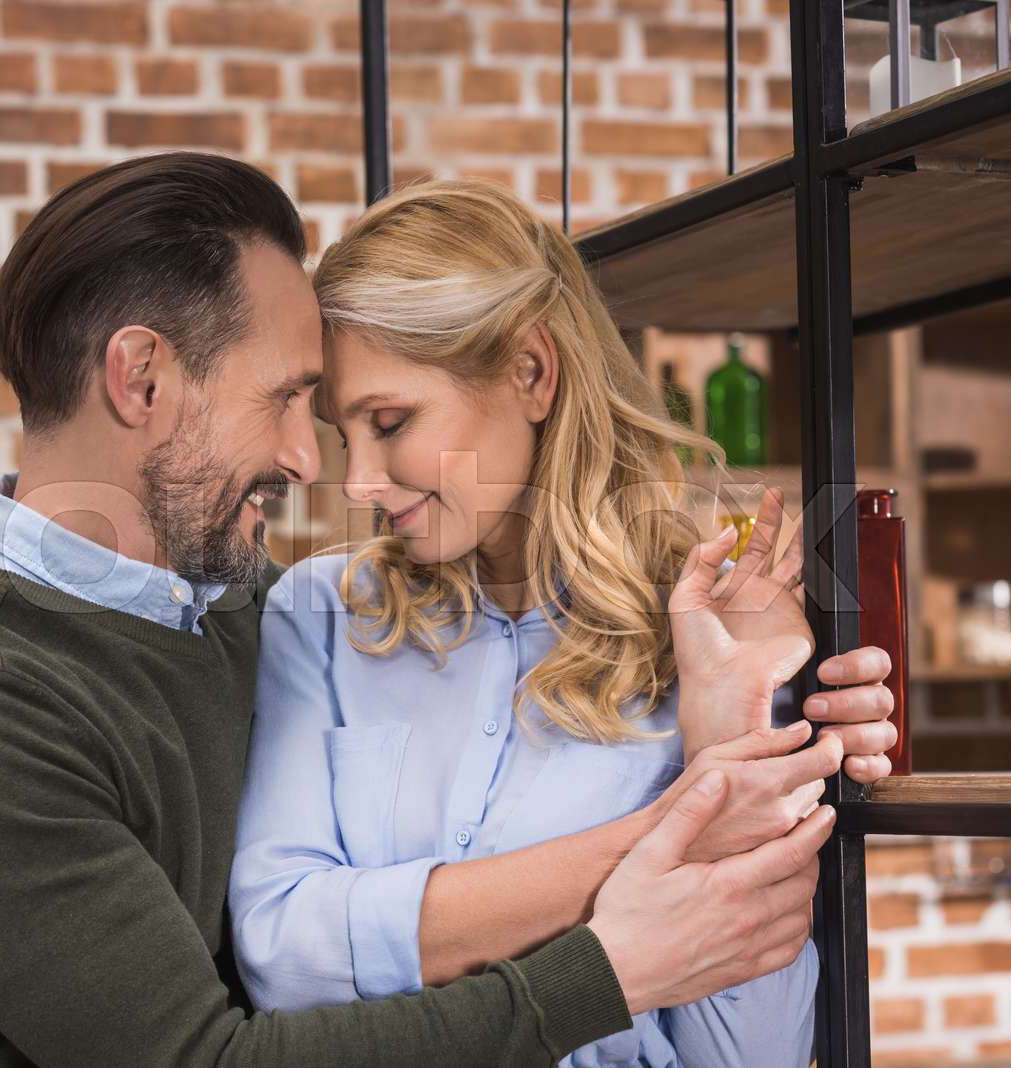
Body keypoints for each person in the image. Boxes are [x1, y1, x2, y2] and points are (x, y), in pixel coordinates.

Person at [0, 153, 897, 1067]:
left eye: (364, 416)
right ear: (140, 381)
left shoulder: (227, 615)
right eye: (296, 405)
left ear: (532, 369)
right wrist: (672, 857)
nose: (318, 468)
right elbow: (243, 1009)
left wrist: (767, 727)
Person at [231, 179, 900, 1066]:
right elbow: (283, 955)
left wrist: (720, 736)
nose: (356, 481)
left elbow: (748, 1059)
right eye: (346, 431)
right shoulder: (318, 618)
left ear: (532, 373)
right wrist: (677, 832)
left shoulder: (713, 634)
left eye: (390, 422)